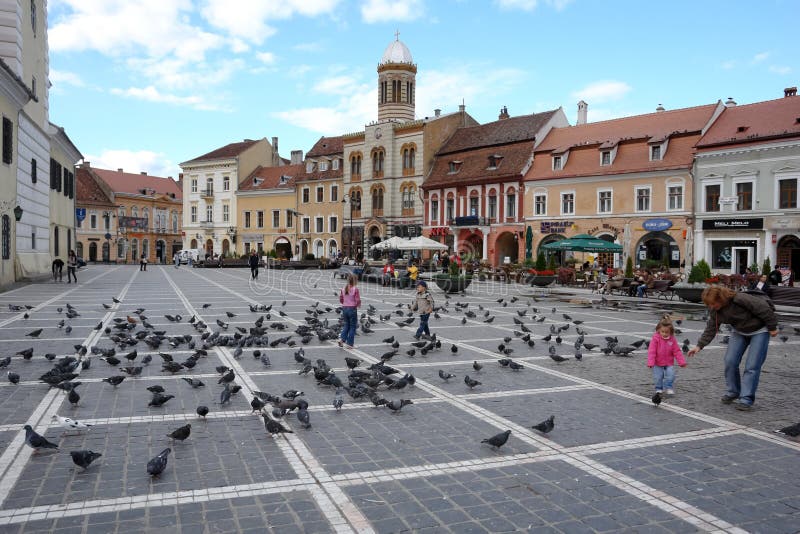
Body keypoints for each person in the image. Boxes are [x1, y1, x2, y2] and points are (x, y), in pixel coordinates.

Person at [687, 286, 778, 411]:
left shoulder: (739, 299)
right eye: (709, 304)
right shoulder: (715, 310)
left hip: (759, 330)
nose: (711, 306)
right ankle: (733, 391)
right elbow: (711, 327)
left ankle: (746, 399)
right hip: (739, 331)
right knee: (730, 361)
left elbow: (764, 309)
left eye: (713, 303)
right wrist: (699, 346)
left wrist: (772, 327)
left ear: (721, 298)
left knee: (752, 366)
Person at [647, 316, 687, 395]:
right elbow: (652, 351)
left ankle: (669, 387)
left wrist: (682, 362)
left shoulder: (672, 339)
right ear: (659, 330)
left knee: (671, 375)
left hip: (669, 362)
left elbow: (677, 351)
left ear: (671, 332)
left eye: (667, 332)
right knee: (658, 376)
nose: (664, 334)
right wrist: (651, 362)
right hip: (657, 362)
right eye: (662, 332)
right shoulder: (655, 339)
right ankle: (659, 388)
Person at [338, 274, 361, 349]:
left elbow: (341, 299)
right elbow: (357, 300)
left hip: (344, 308)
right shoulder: (355, 289)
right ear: (355, 281)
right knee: (352, 326)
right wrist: (358, 305)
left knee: (346, 325)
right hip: (352, 309)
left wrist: (345, 303)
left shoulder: (343, 288)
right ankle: (350, 344)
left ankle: (341, 340)